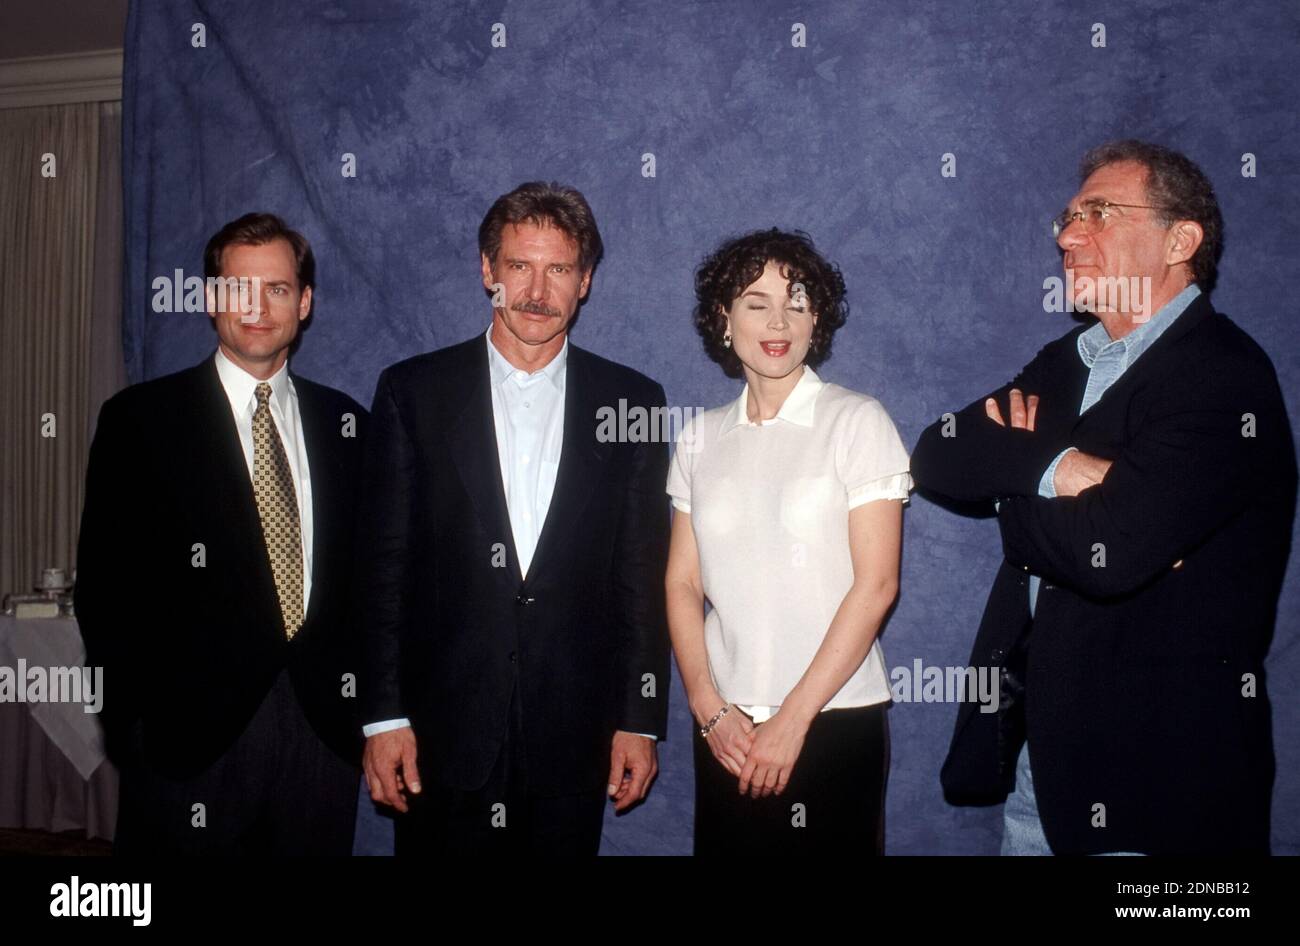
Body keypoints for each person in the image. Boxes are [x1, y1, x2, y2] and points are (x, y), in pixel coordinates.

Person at [911, 140, 1297, 855]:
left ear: (1180, 240)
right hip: (1041, 785)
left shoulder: (1223, 377)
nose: (1066, 234)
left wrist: (1017, 480)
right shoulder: (1068, 362)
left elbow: (1109, 553)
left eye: (1098, 213)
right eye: (1067, 216)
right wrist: (1062, 470)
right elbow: (937, 453)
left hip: (1157, 802)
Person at [357, 181, 671, 856]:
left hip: (575, 735)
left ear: (584, 281)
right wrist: (383, 714)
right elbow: (382, 570)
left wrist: (639, 718)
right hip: (440, 734)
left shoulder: (633, 402)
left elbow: (642, 579)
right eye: (519, 266)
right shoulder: (413, 392)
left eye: (558, 269)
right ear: (487, 271)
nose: (536, 289)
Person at [75, 213, 368, 854]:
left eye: (279, 289)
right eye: (240, 289)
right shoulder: (141, 422)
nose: (258, 308)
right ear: (211, 299)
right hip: (188, 746)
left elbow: (371, 585)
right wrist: (130, 728)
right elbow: (104, 590)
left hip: (322, 745)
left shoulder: (346, 422)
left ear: (306, 302)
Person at [665, 228, 911, 855]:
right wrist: (708, 707)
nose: (778, 320)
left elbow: (877, 583)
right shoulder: (697, 438)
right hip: (726, 731)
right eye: (756, 302)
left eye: (796, 302)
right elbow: (682, 581)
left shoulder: (858, 421)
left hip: (833, 722)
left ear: (816, 317)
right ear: (724, 319)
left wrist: (793, 719)